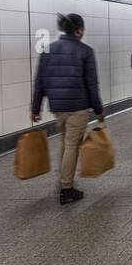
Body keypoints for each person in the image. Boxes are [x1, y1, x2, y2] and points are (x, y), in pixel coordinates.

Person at [31, 12, 104, 205]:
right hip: (78, 107)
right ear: (79, 30)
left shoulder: (48, 49)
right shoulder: (85, 51)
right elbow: (92, 85)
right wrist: (98, 109)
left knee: (65, 141)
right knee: (72, 145)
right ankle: (66, 188)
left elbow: (39, 82)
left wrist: (35, 108)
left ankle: (63, 176)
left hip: (58, 107)